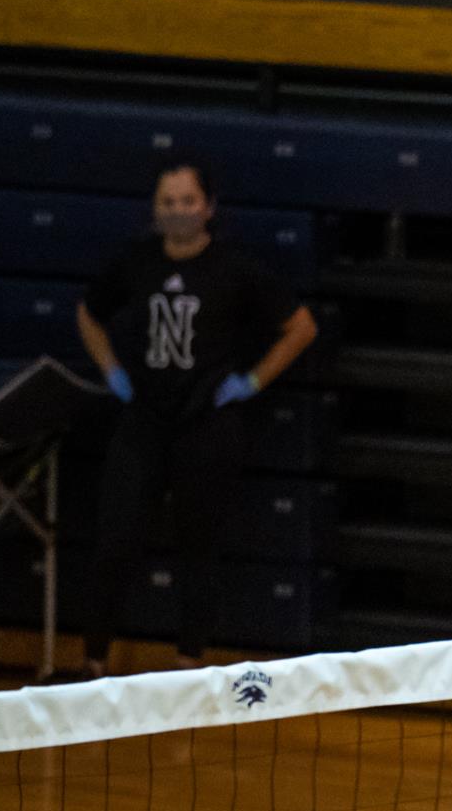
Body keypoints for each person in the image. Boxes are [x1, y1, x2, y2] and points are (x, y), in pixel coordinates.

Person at [72, 159, 319, 679]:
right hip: (144, 420)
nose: (178, 211)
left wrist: (251, 383)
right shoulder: (136, 263)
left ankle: (190, 668)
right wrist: (112, 369)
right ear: (154, 209)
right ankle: (93, 663)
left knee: (198, 549)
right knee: (115, 541)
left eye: (187, 201)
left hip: (207, 425)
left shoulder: (235, 268)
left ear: (208, 208)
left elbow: (301, 327)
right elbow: (88, 314)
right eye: (168, 202)